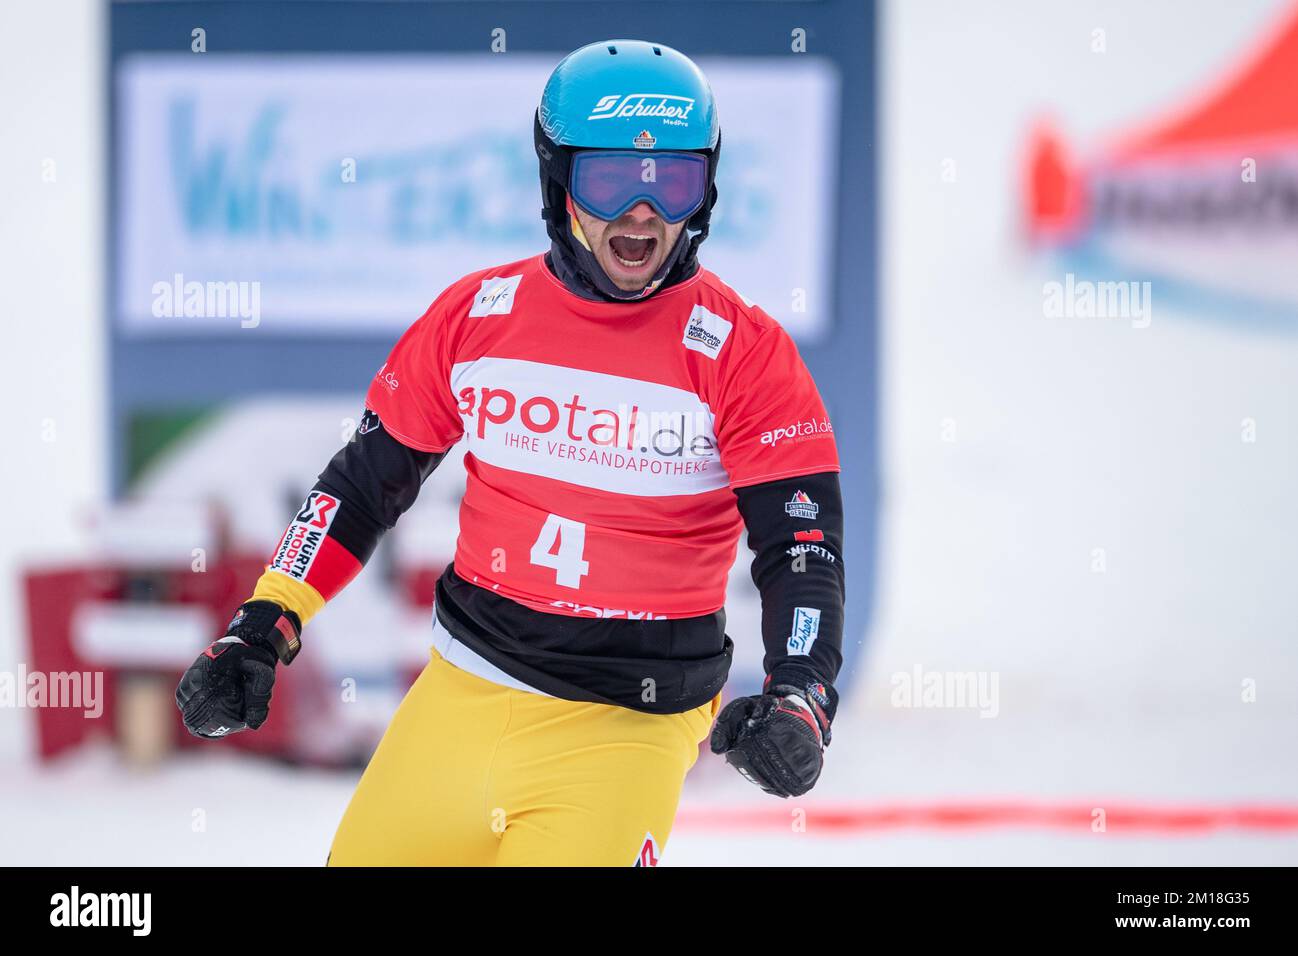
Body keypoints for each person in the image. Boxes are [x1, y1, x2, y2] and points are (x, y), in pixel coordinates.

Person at [175, 39, 844, 867]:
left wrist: (801, 695)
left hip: (628, 725)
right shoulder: (476, 317)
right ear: (558, 183)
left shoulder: (744, 352)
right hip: (463, 694)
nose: (643, 214)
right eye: (610, 181)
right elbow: (362, 485)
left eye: (673, 182)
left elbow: (802, 547)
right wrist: (264, 623)